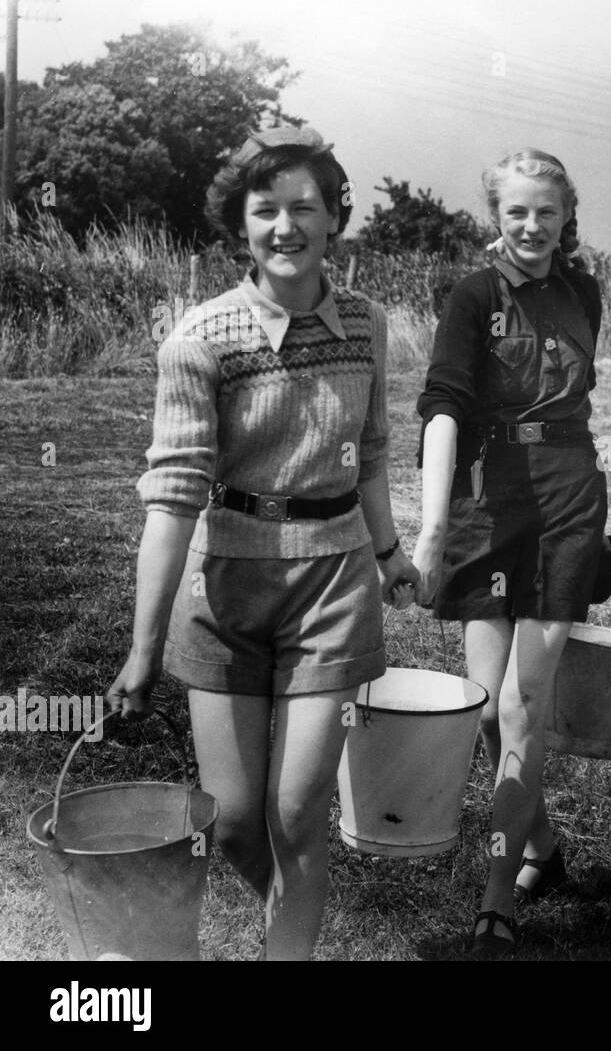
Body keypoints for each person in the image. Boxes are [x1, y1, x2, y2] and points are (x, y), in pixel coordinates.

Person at [107, 127, 419, 960]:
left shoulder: (369, 324)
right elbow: (172, 501)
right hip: (225, 594)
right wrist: (143, 650)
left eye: (304, 208)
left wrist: (389, 553)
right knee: (238, 823)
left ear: (334, 219)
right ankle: (292, 923)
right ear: (240, 225)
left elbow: (376, 449)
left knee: (295, 814)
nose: (286, 227)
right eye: (266, 210)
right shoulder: (199, 339)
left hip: (335, 586)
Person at [414, 149, 610, 957]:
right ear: (495, 215)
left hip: (567, 497)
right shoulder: (471, 295)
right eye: (517, 212)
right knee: (484, 706)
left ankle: (499, 900)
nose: (533, 226)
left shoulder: (585, 291)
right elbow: (444, 405)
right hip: (489, 502)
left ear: (568, 215)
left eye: (548, 212)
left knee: (524, 704)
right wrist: (429, 529)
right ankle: (546, 846)